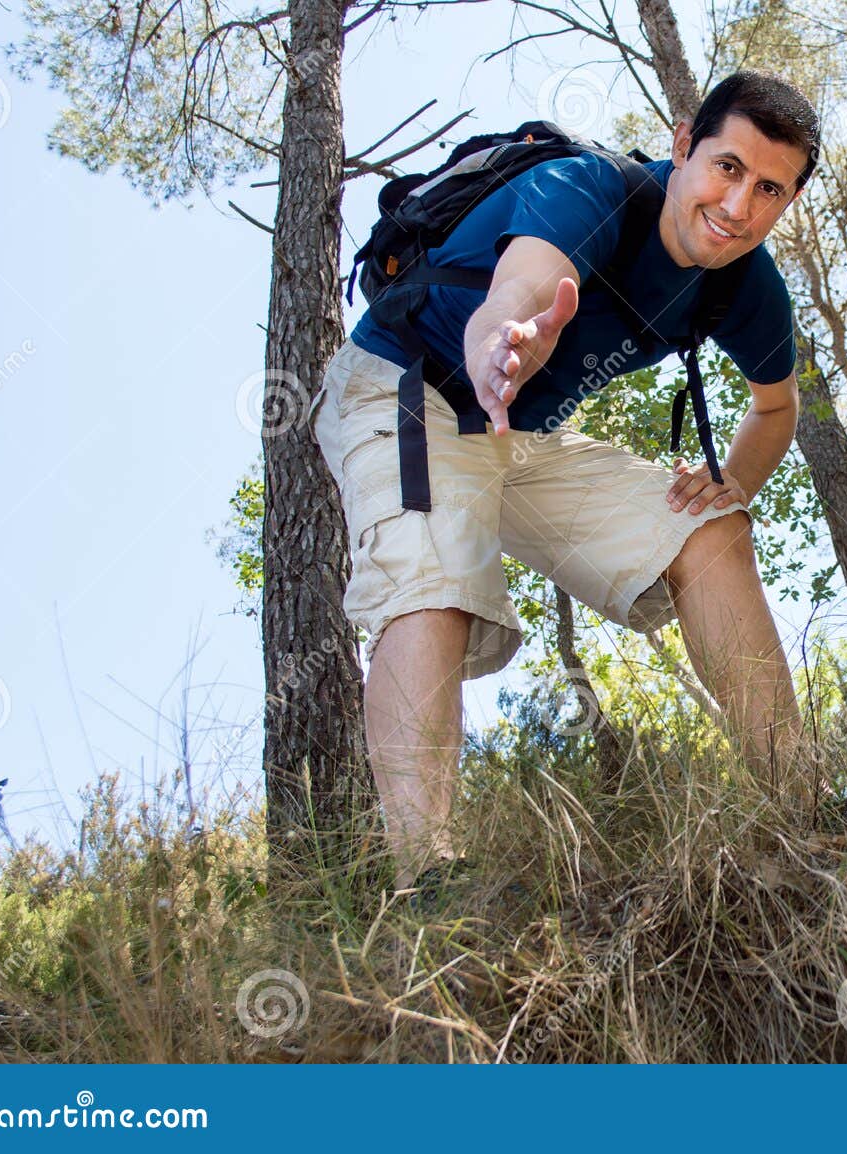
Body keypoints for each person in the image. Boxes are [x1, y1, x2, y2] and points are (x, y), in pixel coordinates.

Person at [310, 71, 821, 891]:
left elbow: (776, 408)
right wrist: (505, 339)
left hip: (518, 437)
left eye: (770, 190)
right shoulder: (583, 189)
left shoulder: (745, 284)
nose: (739, 207)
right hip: (411, 385)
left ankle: (803, 815)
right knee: (435, 577)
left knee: (711, 531)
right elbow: (520, 289)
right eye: (728, 168)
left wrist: (732, 482)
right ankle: (427, 881)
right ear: (685, 143)